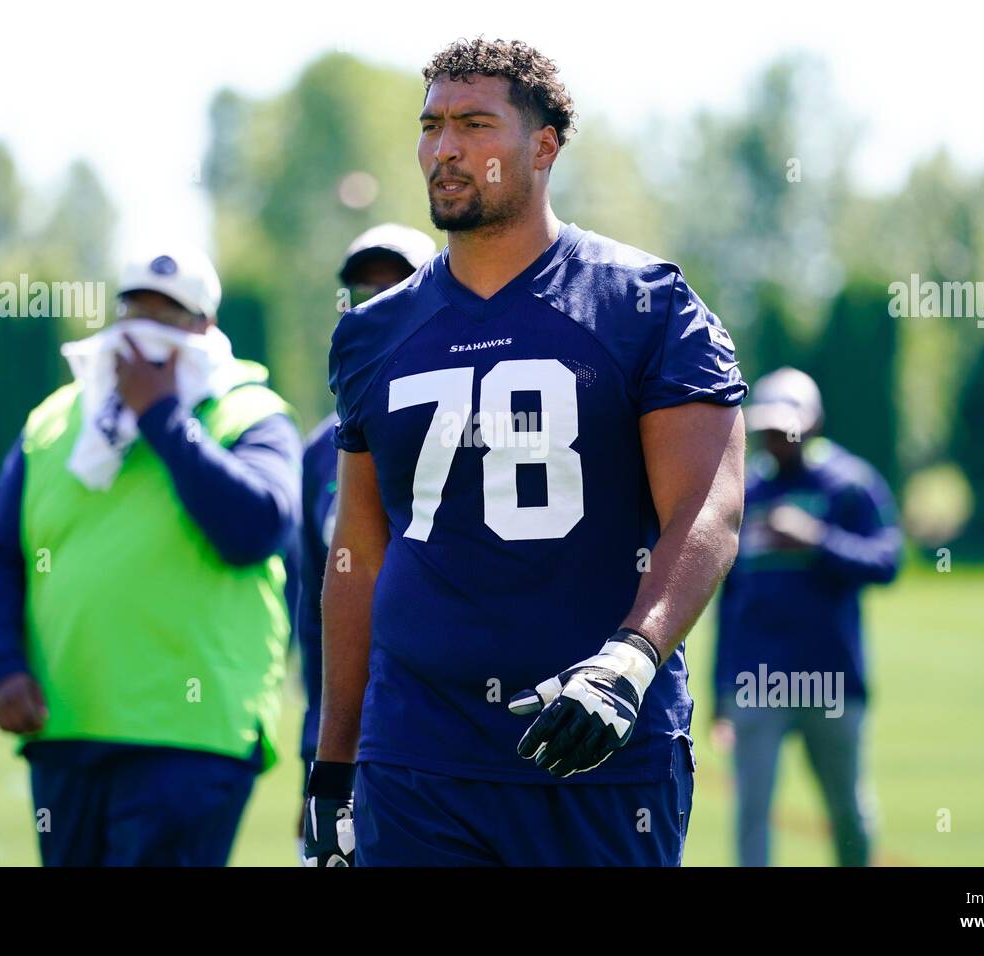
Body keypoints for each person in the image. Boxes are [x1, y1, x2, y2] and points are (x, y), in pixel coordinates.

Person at [304, 37, 747, 868]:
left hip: (596, 746)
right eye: (432, 125)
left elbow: (709, 509)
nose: (445, 148)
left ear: (543, 145)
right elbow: (358, 552)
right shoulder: (372, 334)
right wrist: (332, 764)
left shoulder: (643, 303)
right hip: (417, 755)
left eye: (475, 123)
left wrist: (630, 659)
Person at [0, 245, 302, 866]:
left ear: (205, 329)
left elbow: (254, 530)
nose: (145, 329)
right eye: (134, 311)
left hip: (191, 738)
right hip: (66, 730)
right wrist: (4, 665)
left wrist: (163, 418)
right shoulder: (54, 421)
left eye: (169, 315)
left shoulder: (248, 413)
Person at [712, 368, 900, 867]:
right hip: (757, 677)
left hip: (831, 676)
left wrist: (817, 540)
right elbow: (731, 600)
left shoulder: (850, 485)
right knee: (751, 811)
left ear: (813, 424)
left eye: (787, 428)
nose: (777, 440)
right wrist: (719, 690)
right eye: (769, 430)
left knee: (848, 808)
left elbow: (887, 562)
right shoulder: (746, 491)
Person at [295, 224, 435, 845]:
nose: (375, 306)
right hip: (354, 728)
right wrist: (320, 753)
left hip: (441, 722)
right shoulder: (319, 452)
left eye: (395, 289)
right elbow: (316, 612)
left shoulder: (473, 425)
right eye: (362, 292)